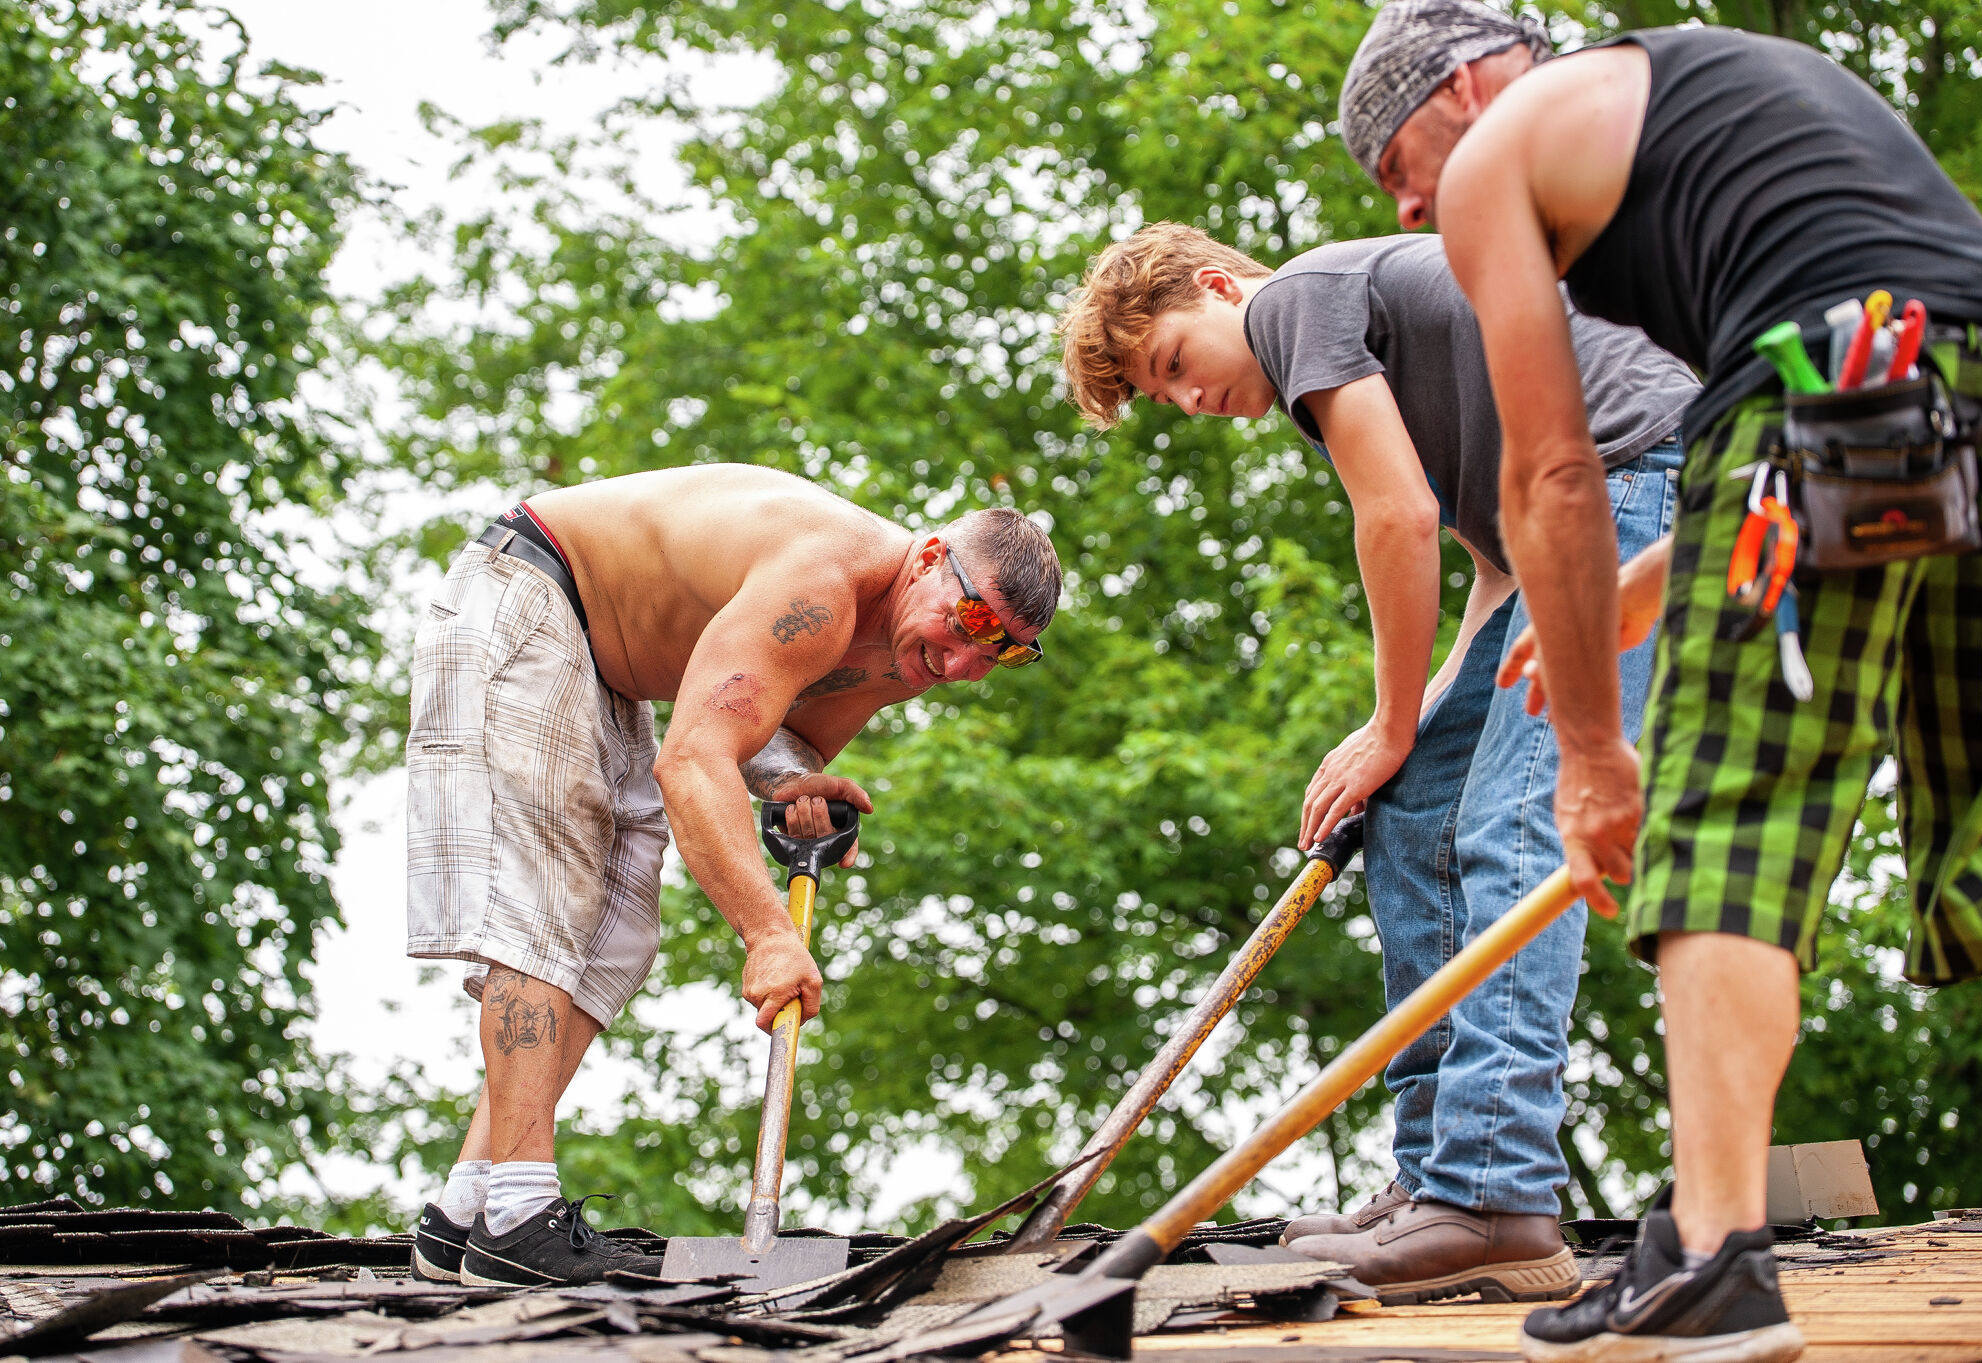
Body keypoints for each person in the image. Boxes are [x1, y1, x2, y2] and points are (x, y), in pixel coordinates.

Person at [1339, 4, 1982, 1360]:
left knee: (1725, 831)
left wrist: (1595, 755)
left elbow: (1552, 475)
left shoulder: (1501, 159)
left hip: (1836, 377)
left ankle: (1716, 1255)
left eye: (1396, 161)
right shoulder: (1723, 83)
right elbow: (1875, 354)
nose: (1416, 199)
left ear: (1471, 82)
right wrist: (1643, 590)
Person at [1057, 222, 1696, 1303]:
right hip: (1561, 511)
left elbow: (1394, 517)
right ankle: (1436, 1177)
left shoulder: (1293, 302)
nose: (1188, 399)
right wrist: (1413, 731)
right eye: (1162, 399)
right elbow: (1491, 570)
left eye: (1170, 362)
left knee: (1509, 821)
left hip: (1638, 481)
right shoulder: (1363, 343)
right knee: (1411, 806)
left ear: (1216, 288)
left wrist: (1385, 720)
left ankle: (1495, 1194)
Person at [402, 463, 1060, 1287]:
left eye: (1002, 649)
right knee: (550, 895)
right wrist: (768, 934)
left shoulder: (905, 657)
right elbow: (695, 759)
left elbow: (771, 740)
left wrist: (795, 786)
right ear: (929, 556)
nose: (965, 661)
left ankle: (468, 1205)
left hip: (611, 673)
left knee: (616, 934)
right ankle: (519, 1213)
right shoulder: (822, 580)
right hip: (533, 590)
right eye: (969, 618)